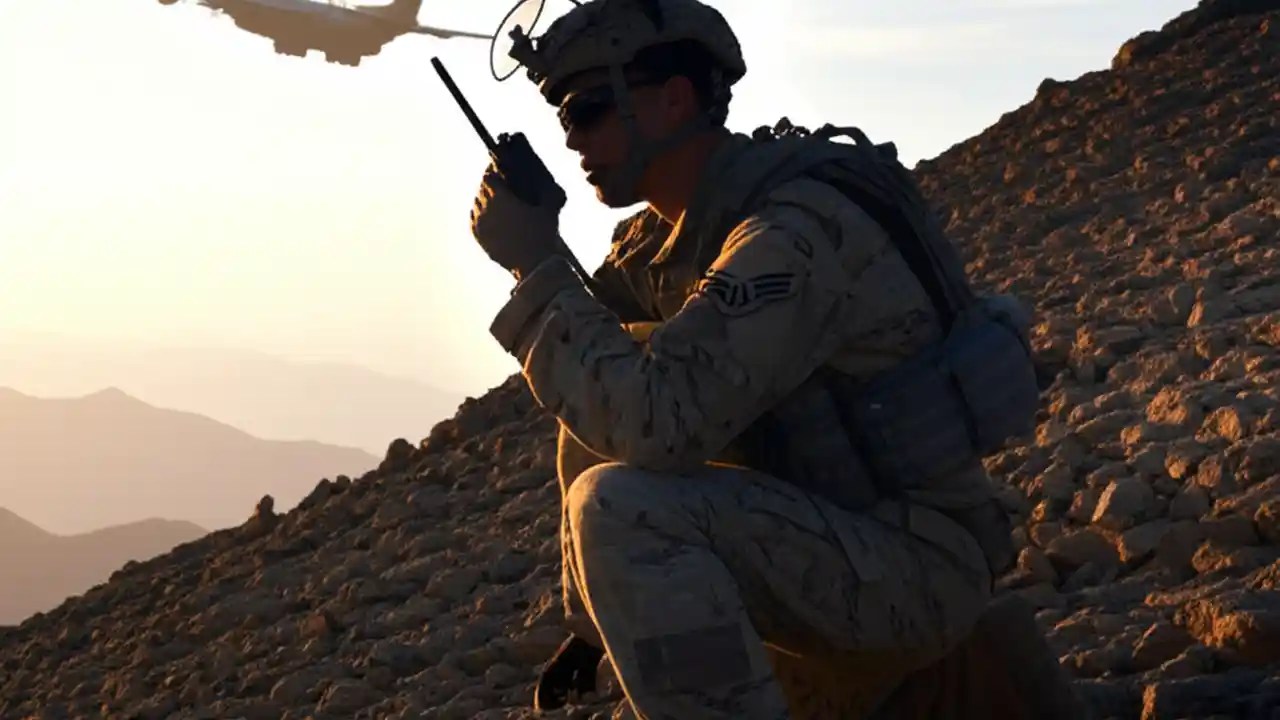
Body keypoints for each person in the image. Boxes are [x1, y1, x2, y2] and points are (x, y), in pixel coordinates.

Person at [467, 0, 1085, 717]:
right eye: (566, 120)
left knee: (621, 509)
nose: (574, 140)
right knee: (605, 368)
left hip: (916, 571)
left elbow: (656, 423)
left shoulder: (793, 232)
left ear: (674, 99)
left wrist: (535, 265)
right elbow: (599, 386)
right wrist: (595, 619)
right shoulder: (672, 239)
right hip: (833, 549)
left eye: (592, 109)